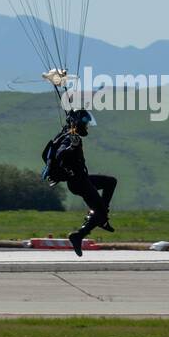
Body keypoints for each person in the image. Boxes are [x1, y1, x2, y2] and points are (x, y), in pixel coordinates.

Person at [41, 108, 117, 257]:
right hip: (78, 182)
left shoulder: (69, 133)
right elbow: (60, 154)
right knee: (101, 214)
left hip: (82, 179)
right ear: (79, 123)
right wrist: (72, 147)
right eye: (86, 123)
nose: (87, 127)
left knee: (110, 182)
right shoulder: (70, 137)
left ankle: (100, 216)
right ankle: (78, 235)